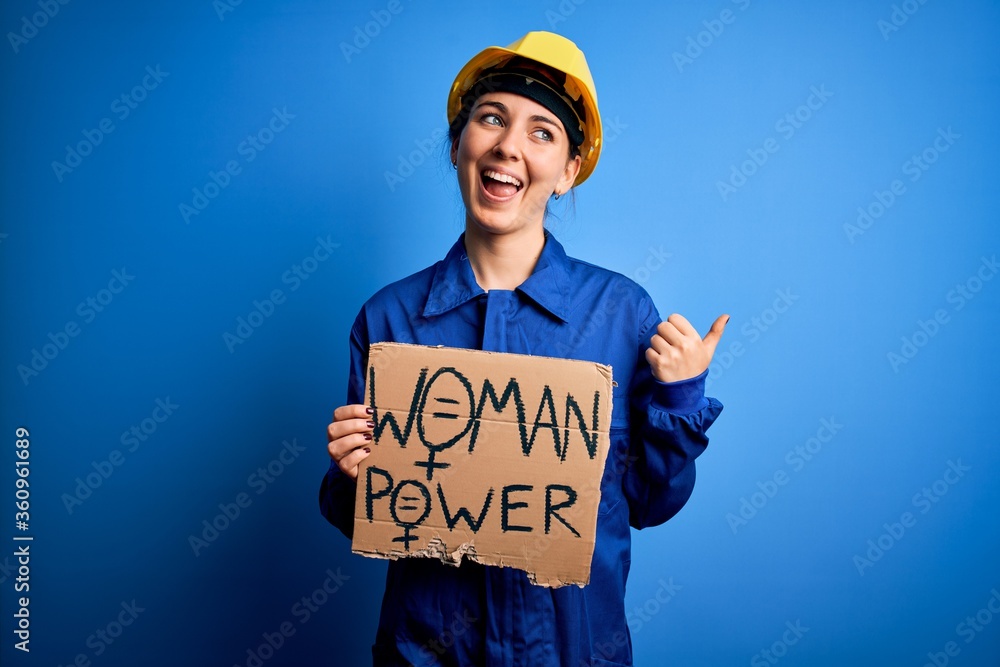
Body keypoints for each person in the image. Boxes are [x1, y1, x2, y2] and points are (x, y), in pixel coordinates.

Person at [320, 30, 727, 667]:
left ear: (568, 172)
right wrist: (351, 475)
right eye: (491, 119)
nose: (509, 145)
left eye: (542, 132)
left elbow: (652, 504)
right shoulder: (387, 319)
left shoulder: (621, 315)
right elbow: (364, 520)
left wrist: (678, 397)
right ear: (458, 145)